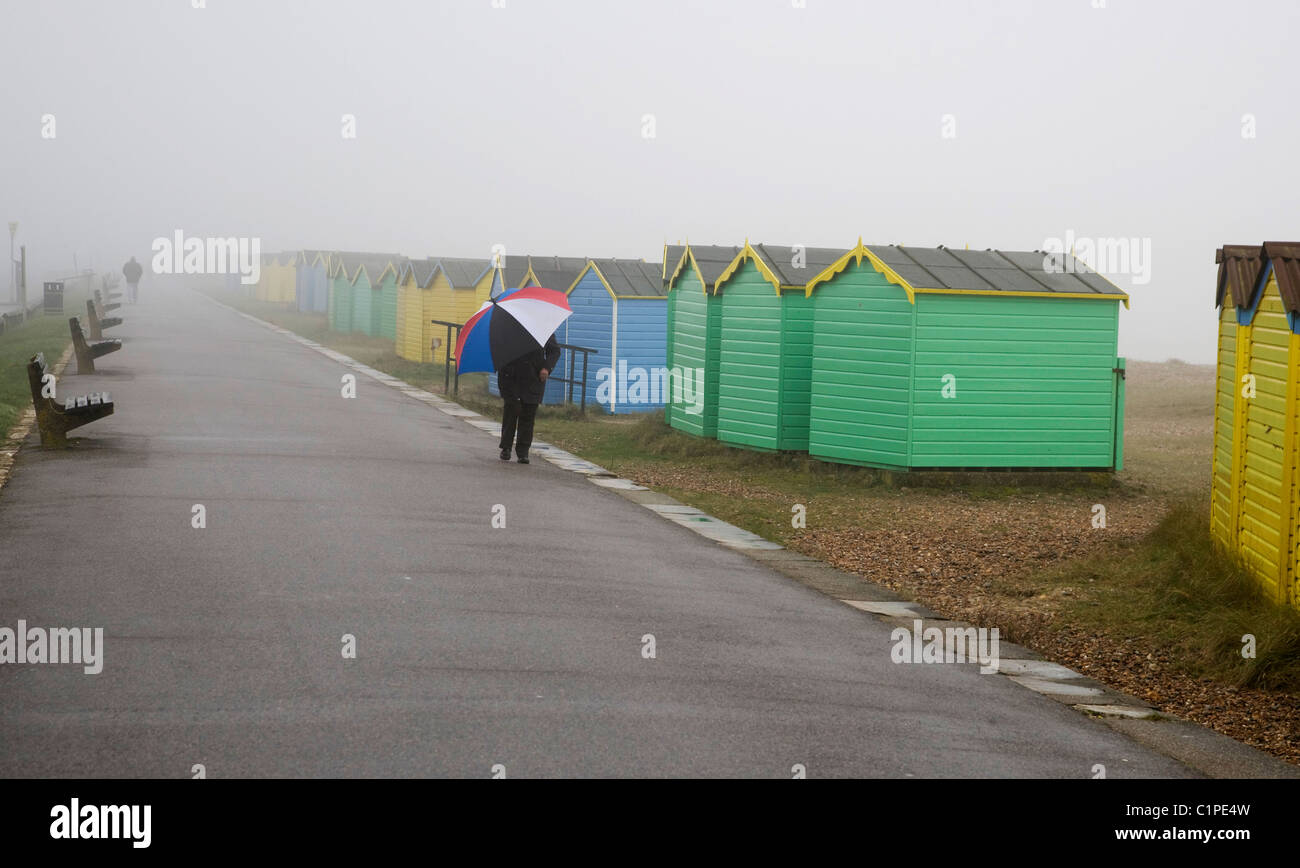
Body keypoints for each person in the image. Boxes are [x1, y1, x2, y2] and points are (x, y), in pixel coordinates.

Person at [497, 333, 560, 464]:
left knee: (528, 414)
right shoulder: (507, 326)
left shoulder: (542, 327)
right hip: (510, 376)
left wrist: (546, 368)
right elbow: (498, 347)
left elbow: (554, 351)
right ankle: (506, 447)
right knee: (511, 411)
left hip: (533, 377)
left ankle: (523, 451)